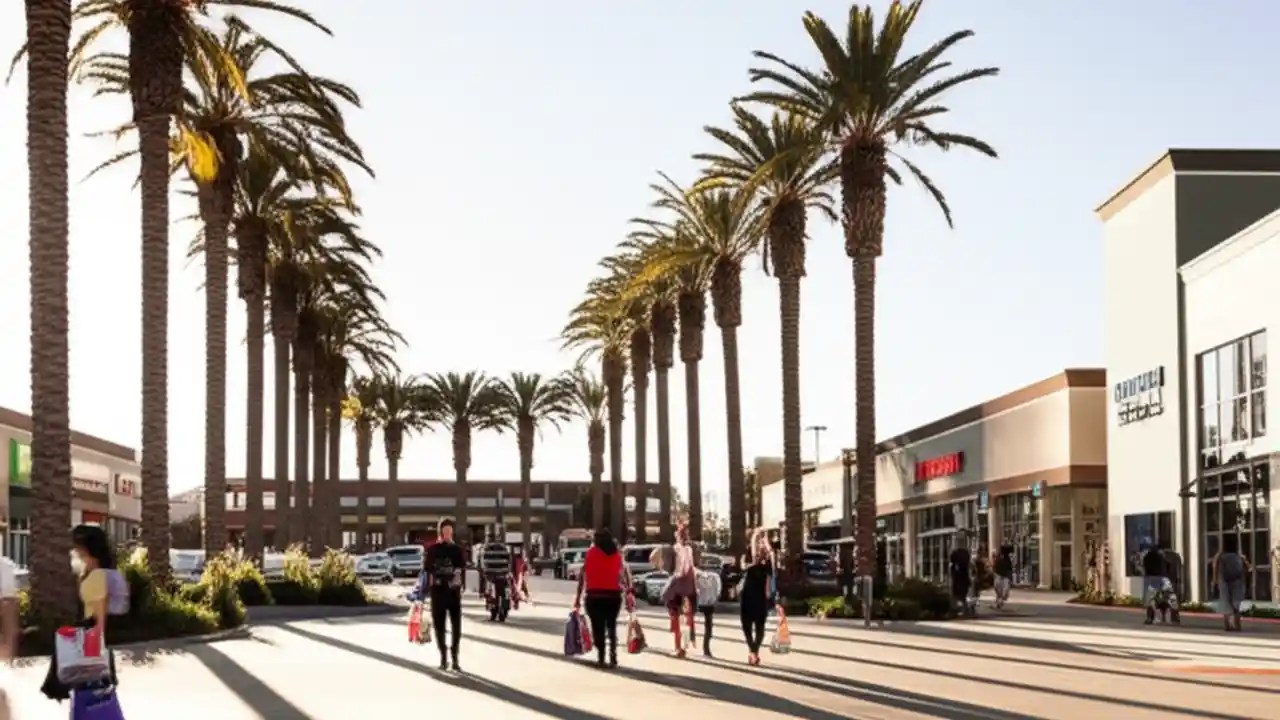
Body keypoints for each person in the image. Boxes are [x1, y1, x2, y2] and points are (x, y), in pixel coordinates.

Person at [41, 525, 121, 701]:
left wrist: (97, 643)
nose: (74, 549)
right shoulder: (89, 572)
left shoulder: (98, 575)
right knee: (90, 692)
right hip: (88, 631)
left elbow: (101, 614)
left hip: (92, 633)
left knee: (95, 692)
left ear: (87, 547)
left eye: (77, 545)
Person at [573, 528, 631, 668]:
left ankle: (601, 656)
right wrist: (629, 591)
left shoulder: (591, 553)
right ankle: (613, 655)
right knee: (611, 625)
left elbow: (582, 577)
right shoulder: (617, 555)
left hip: (594, 596)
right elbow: (623, 575)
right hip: (613, 596)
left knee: (597, 627)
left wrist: (578, 597)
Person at [417, 518, 466, 670]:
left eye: (449, 531)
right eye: (445, 530)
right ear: (440, 531)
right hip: (438, 592)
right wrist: (422, 593)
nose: (447, 533)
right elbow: (427, 570)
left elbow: (461, 569)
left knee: (456, 626)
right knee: (439, 627)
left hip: (453, 593)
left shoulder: (457, 550)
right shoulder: (432, 550)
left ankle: (455, 657)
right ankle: (443, 657)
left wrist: (457, 582)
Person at [661, 524, 698, 658]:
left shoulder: (678, 548)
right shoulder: (689, 548)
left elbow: (681, 569)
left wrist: (675, 576)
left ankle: (678, 647)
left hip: (678, 586)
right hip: (688, 587)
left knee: (675, 615)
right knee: (686, 617)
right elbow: (691, 567)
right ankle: (684, 646)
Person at [740, 530, 775, 667]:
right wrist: (753, 562)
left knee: (760, 628)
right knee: (746, 626)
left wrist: (768, 547)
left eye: (762, 540)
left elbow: (772, 569)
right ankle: (753, 651)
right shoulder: (747, 556)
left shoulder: (766, 560)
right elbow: (743, 567)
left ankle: (754, 652)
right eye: (758, 540)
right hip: (748, 596)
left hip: (760, 597)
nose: (760, 543)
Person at [1212, 535, 1252, 632]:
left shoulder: (1220, 556)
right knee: (1236, 605)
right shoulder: (1239, 556)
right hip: (1237, 582)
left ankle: (1227, 625)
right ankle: (1237, 625)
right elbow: (1248, 568)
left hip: (1224, 582)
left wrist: (1215, 580)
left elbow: (1215, 568)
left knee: (1226, 603)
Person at [694, 564, 722, 658]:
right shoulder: (715, 576)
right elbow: (718, 590)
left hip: (701, 603)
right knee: (708, 626)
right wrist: (715, 599)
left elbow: (696, 590)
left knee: (706, 625)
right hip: (710, 603)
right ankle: (706, 649)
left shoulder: (697, 576)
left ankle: (704, 648)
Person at [1140, 542, 1168, 625]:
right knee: (1161, 598)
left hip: (1150, 578)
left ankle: (1149, 618)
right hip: (1160, 578)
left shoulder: (1147, 557)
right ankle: (1163, 617)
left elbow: (1145, 567)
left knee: (1150, 600)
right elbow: (1166, 568)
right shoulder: (1161, 557)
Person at [1158, 541, 1183, 624]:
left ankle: (1164, 616)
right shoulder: (1176, 555)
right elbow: (1180, 568)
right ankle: (1175, 617)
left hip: (1165, 580)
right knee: (1173, 599)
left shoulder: (1162, 556)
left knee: (1163, 599)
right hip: (1174, 580)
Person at [948, 537, 972, 615]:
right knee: (962, 596)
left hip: (958, 578)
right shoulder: (966, 553)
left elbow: (951, 563)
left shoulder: (956, 553)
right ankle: (965, 610)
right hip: (964, 578)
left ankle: (954, 610)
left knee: (955, 595)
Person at [992, 545, 1014, 609]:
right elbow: (1009, 569)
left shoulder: (1001, 559)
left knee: (1000, 590)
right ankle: (999, 602)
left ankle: (999, 602)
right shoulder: (1006, 560)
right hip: (1002, 576)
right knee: (1002, 591)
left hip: (1001, 576)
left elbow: (995, 567)